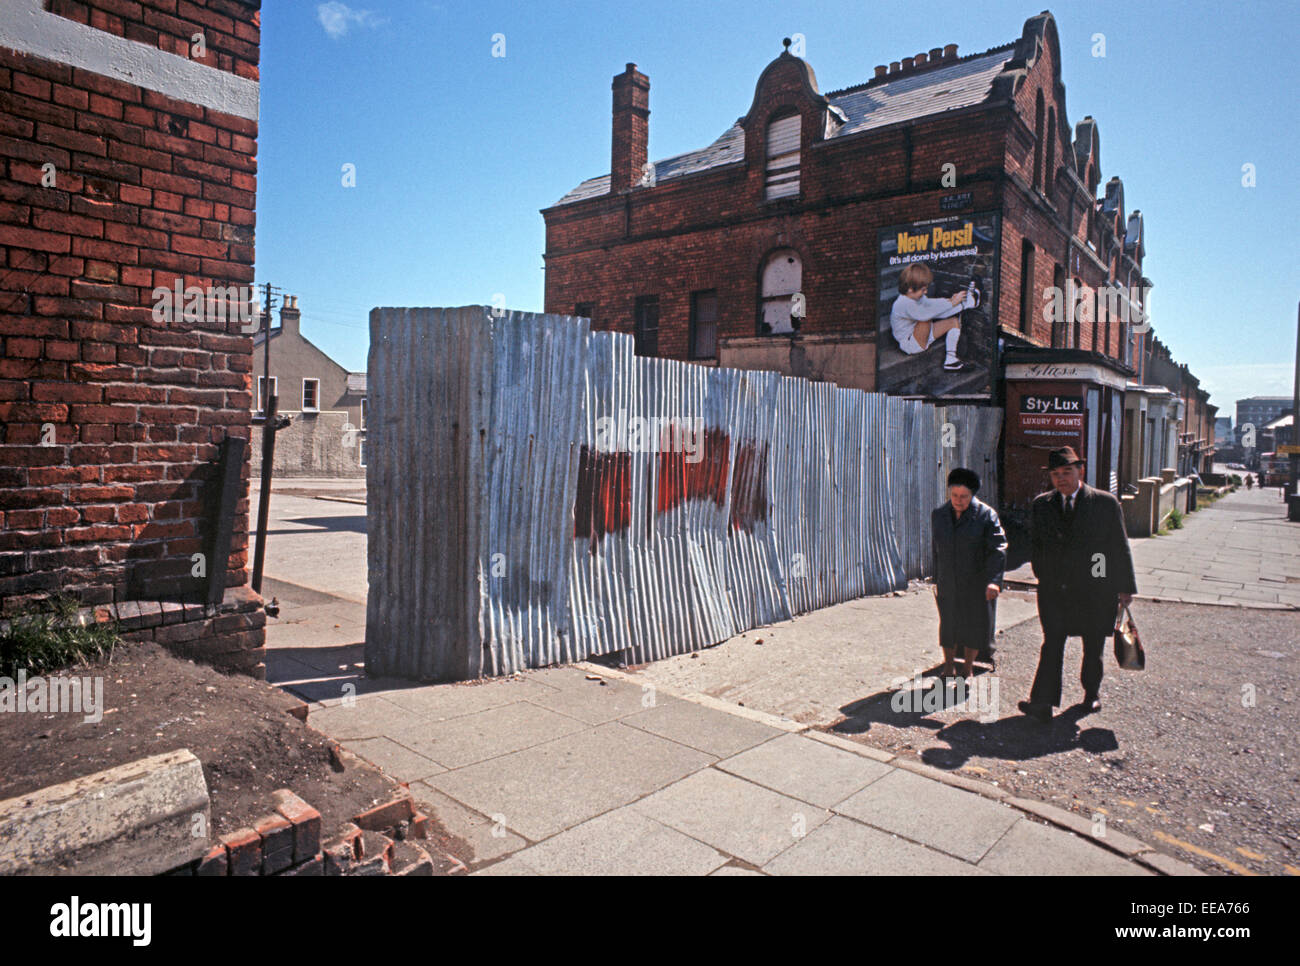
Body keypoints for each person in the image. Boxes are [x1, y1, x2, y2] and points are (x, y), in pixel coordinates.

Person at [1018, 447, 1137, 722]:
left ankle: (1091, 694)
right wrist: (1043, 573)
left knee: (1093, 645)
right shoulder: (1042, 504)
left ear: (1080, 471)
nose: (1061, 479)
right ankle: (1042, 703)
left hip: (1094, 590)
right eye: (1056, 474)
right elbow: (1036, 546)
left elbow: (1118, 547)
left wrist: (1123, 586)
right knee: (1052, 644)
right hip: (1055, 590)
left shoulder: (1105, 503)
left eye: (1067, 472)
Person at [931, 467, 1006, 680]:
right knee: (948, 625)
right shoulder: (939, 515)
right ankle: (948, 667)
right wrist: (937, 578)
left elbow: (998, 550)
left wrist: (994, 581)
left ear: (972, 495)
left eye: (964, 496)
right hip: (948, 580)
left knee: (973, 626)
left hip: (976, 581)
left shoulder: (986, 515)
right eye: (954, 495)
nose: (958, 500)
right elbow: (935, 549)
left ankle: (968, 668)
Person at [889, 262, 969, 372]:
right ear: (910, 289)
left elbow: (932, 304)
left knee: (953, 321)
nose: (926, 292)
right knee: (926, 317)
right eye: (923, 289)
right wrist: (952, 303)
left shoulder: (916, 298)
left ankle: (951, 360)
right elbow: (927, 313)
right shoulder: (904, 303)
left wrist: (950, 301)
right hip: (910, 343)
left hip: (921, 333)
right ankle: (965, 305)